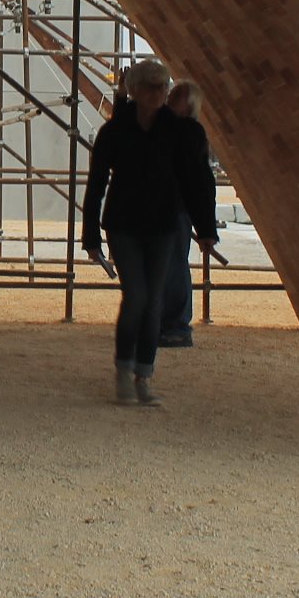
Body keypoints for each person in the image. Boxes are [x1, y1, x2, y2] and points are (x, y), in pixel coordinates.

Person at [82, 59, 217, 407]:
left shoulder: (178, 132)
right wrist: (91, 238)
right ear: (137, 91)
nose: (161, 92)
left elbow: (196, 180)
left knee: (153, 298)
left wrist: (205, 228)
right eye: (154, 87)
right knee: (137, 296)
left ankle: (143, 374)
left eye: (163, 86)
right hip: (124, 225)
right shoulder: (114, 132)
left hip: (162, 224)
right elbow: (96, 184)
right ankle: (124, 371)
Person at [159, 81, 204, 347]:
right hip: (167, 206)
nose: (168, 99)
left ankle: (177, 325)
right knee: (168, 265)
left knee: (174, 265)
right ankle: (169, 323)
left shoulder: (188, 132)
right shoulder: (169, 128)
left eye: (174, 97)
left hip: (176, 208)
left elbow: (197, 178)